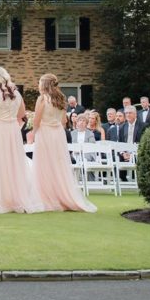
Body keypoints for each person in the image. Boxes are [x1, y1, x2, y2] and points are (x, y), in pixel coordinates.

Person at [0, 67, 41, 214]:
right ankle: (16, 198)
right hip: (12, 131)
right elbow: (22, 114)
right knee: (13, 162)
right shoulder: (16, 94)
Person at [31, 73, 96, 213]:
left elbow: (36, 120)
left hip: (45, 133)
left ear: (44, 84)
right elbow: (63, 121)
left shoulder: (42, 98)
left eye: (40, 82)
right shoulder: (61, 99)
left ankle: (46, 198)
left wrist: (33, 134)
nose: (38, 85)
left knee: (44, 165)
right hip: (58, 134)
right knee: (58, 165)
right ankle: (61, 196)